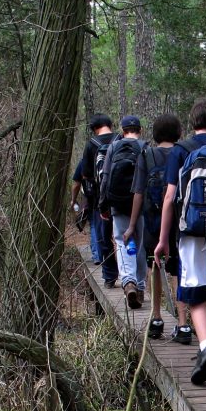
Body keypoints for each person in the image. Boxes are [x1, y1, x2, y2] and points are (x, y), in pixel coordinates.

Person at [154, 99, 206, 378]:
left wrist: (163, 239)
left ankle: (205, 347)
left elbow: (170, 197)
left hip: (190, 233)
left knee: (195, 292)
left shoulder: (181, 150)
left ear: (192, 121)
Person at [125, 113, 191, 340]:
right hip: (180, 221)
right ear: (178, 133)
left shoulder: (147, 155)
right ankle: (183, 323)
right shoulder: (183, 153)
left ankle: (156, 318)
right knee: (177, 269)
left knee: (154, 266)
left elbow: (138, 193)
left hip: (153, 222)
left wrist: (132, 225)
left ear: (154, 134)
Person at [100, 115, 147, 308]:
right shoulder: (144, 147)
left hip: (117, 203)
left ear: (122, 130)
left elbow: (105, 177)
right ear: (140, 130)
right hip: (140, 204)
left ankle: (128, 281)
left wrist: (103, 204)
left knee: (122, 241)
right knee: (140, 244)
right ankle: (140, 286)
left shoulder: (113, 147)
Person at [69, 114, 117, 287]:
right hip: (124, 198)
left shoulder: (91, 145)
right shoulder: (121, 139)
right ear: (110, 124)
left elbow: (86, 175)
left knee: (104, 237)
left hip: (99, 200)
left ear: (94, 129)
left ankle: (110, 276)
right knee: (125, 237)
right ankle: (132, 278)